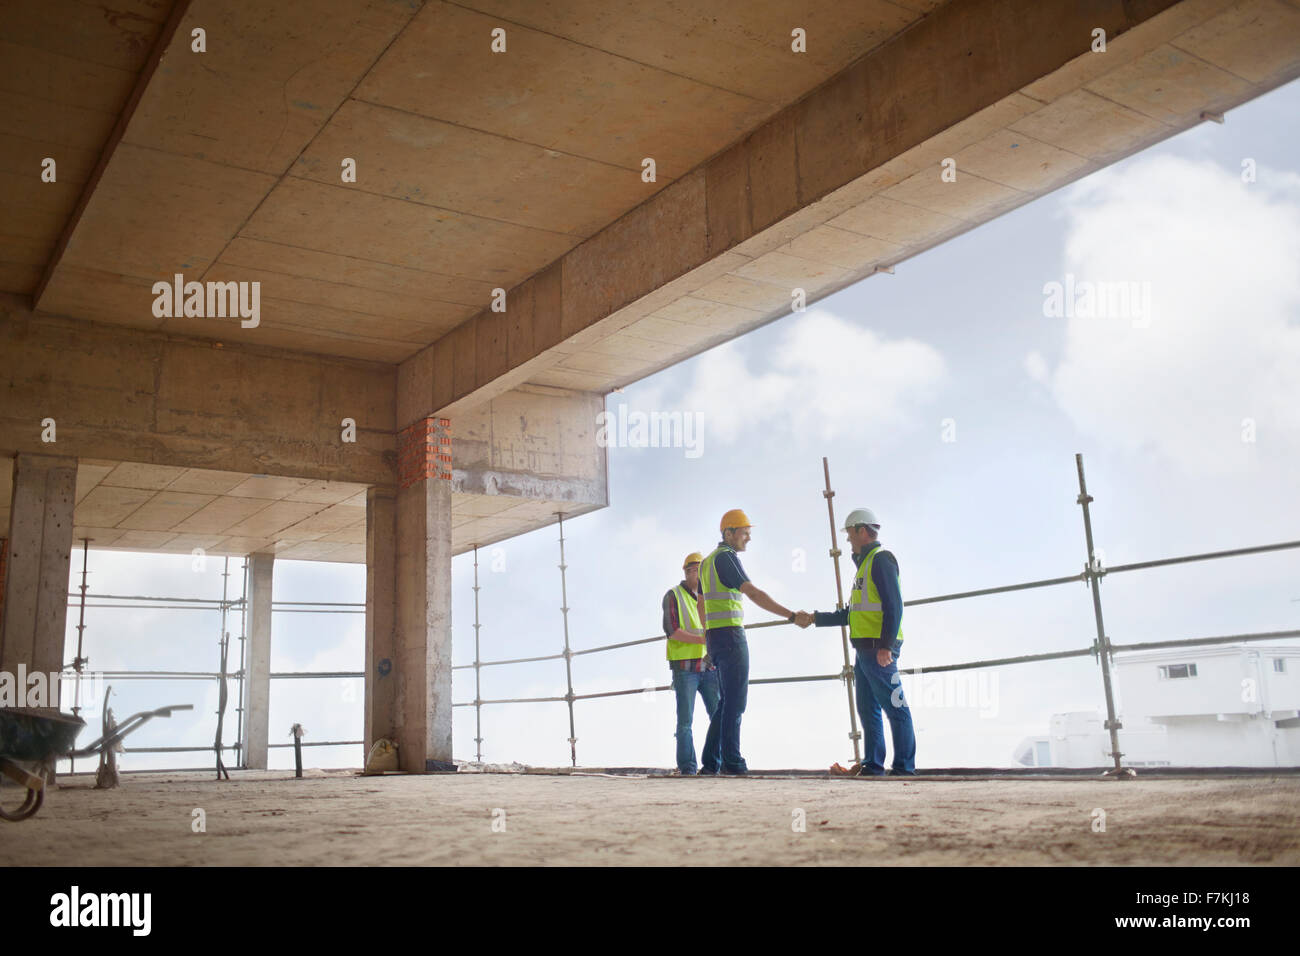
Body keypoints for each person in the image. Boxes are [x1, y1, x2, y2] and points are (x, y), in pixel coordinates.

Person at [796, 508, 916, 775]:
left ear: (862, 530)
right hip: (865, 649)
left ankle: (905, 768)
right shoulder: (865, 566)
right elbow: (851, 614)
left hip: (878, 648)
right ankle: (873, 766)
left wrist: (886, 646)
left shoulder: (881, 560)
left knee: (895, 707)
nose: (848, 540)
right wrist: (814, 618)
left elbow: (894, 605)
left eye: (849, 534)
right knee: (868, 709)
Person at [697, 509, 802, 776]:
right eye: (744, 533)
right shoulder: (726, 558)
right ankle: (732, 762)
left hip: (716, 638)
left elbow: (701, 603)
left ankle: (710, 763)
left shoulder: (707, 562)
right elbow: (752, 592)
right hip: (731, 637)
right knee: (735, 702)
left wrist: (707, 637)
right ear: (729, 533)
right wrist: (790, 615)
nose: (748, 538)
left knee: (725, 702)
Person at [661, 552, 720, 775]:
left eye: (697, 569)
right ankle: (688, 769)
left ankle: (716, 765)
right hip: (685, 668)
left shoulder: (711, 597)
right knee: (685, 722)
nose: (693, 573)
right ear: (686, 572)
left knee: (718, 717)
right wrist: (704, 639)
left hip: (710, 666)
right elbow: (672, 631)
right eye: (690, 569)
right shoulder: (673, 595)